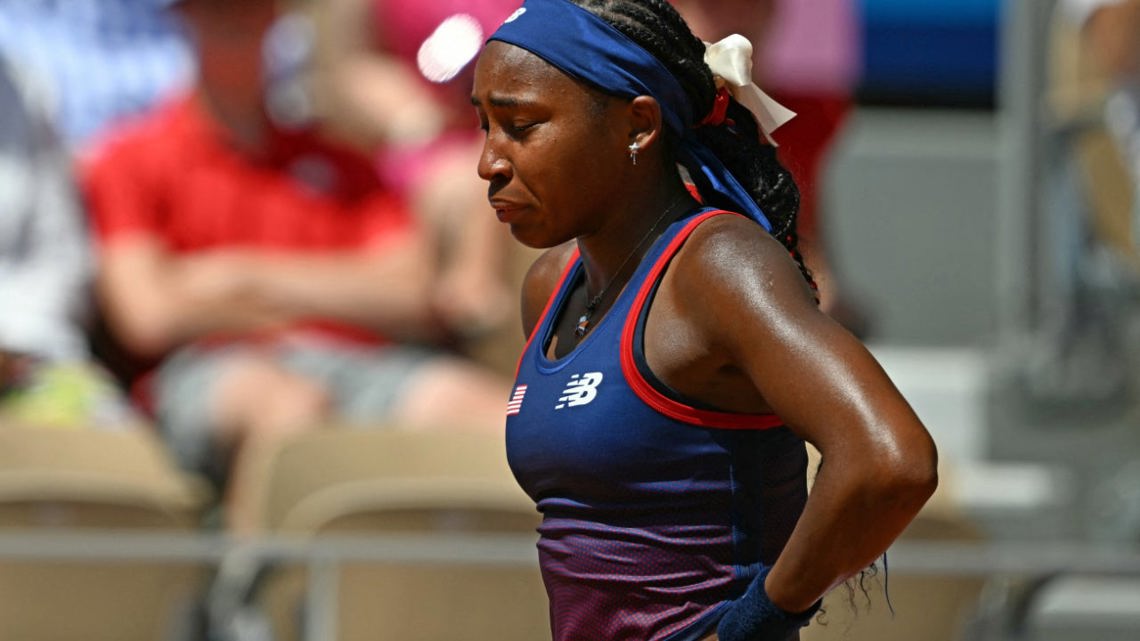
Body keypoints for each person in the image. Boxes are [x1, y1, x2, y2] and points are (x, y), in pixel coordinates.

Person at [469, 1, 939, 640]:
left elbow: (890, 460)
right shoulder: (551, 286)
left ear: (638, 126)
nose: (489, 163)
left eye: (521, 126)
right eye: (485, 125)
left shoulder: (719, 266)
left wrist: (756, 623)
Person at [81, 0, 512, 532]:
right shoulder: (129, 158)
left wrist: (240, 278)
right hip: (211, 375)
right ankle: (256, 606)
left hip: (360, 366)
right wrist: (328, 295)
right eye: (215, 10)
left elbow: (414, 295)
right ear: (184, 16)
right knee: (288, 410)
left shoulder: (340, 163)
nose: (235, 17)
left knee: (505, 421)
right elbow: (149, 315)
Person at [0, 55, 140, 431]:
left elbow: (59, 254)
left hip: (27, 356)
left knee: (114, 446)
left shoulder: (21, 86)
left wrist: (16, 349)